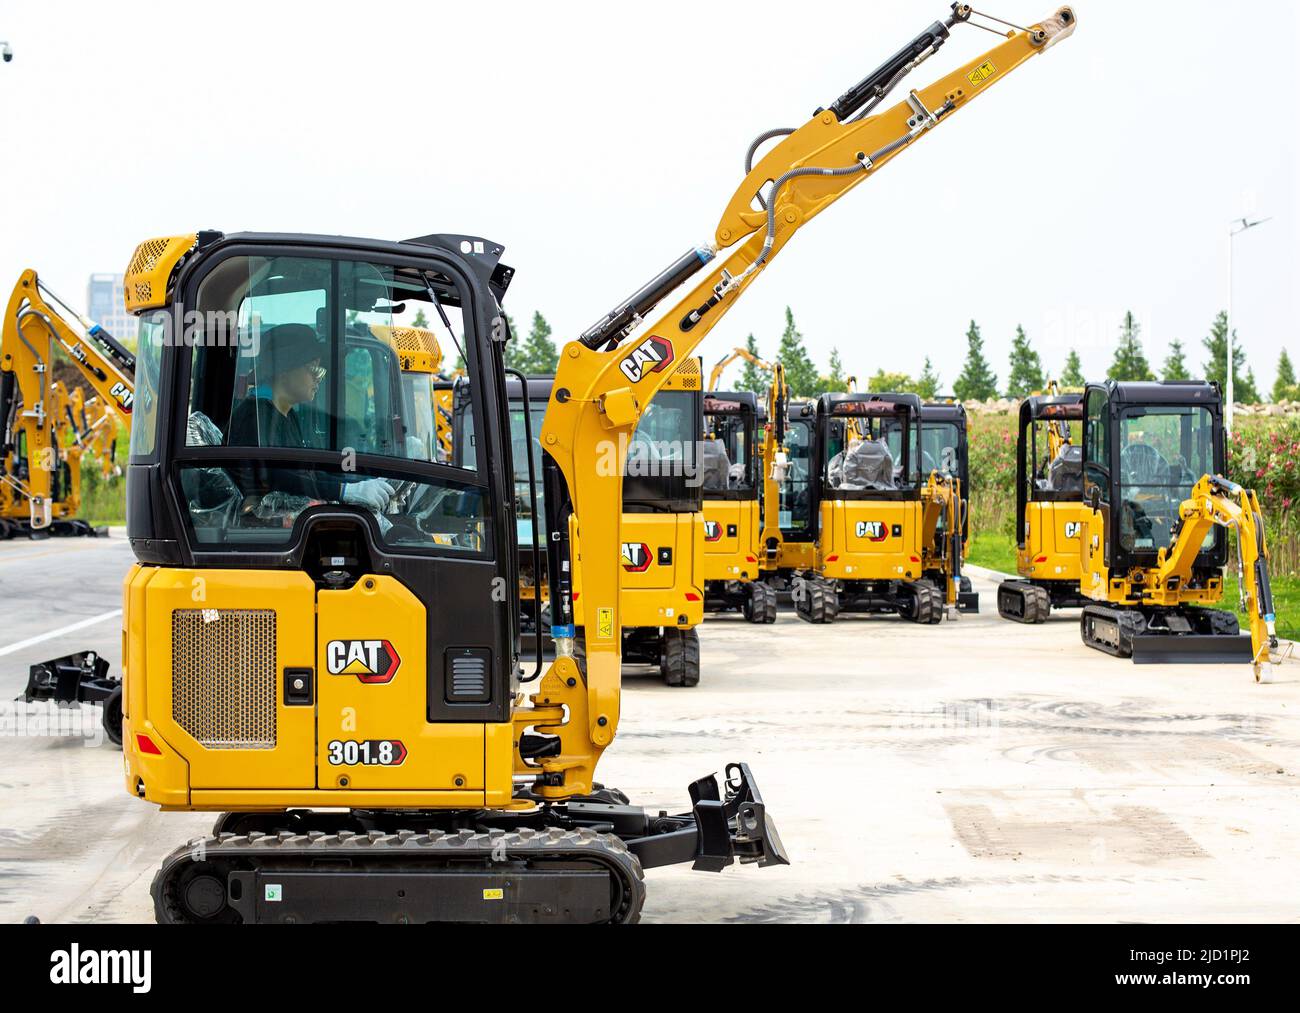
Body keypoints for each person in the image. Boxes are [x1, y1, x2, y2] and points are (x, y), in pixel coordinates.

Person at [228, 323, 394, 512]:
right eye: (313, 369)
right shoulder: (254, 415)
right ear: (284, 369)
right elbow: (275, 477)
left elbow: (307, 474)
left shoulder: (287, 414)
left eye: (321, 371)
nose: (319, 378)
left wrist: (359, 483)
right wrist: (345, 490)